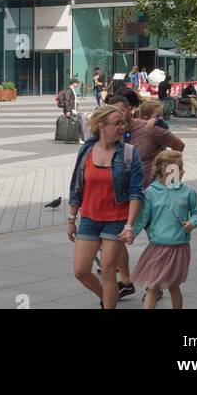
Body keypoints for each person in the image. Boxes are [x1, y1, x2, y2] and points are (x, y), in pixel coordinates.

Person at [68, 103, 143, 308]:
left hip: (116, 220)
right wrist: (71, 218)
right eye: (117, 123)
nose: (123, 127)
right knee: (81, 270)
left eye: (123, 123)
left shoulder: (129, 153)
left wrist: (129, 225)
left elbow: (136, 192)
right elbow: (77, 185)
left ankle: (109, 303)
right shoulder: (87, 150)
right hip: (89, 219)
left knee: (108, 269)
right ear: (101, 126)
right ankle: (109, 298)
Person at [132, 149, 197, 310]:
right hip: (157, 248)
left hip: (179, 247)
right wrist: (131, 233)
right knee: (153, 286)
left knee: (173, 286)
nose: (183, 172)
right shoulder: (150, 193)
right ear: (165, 169)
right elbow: (142, 218)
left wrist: (192, 222)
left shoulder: (188, 192)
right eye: (179, 168)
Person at [129, 100, 185, 181]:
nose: (161, 118)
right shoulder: (136, 126)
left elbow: (179, 145)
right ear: (145, 117)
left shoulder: (156, 128)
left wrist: (170, 162)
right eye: (157, 116)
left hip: (152, 178)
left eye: (161, 115)